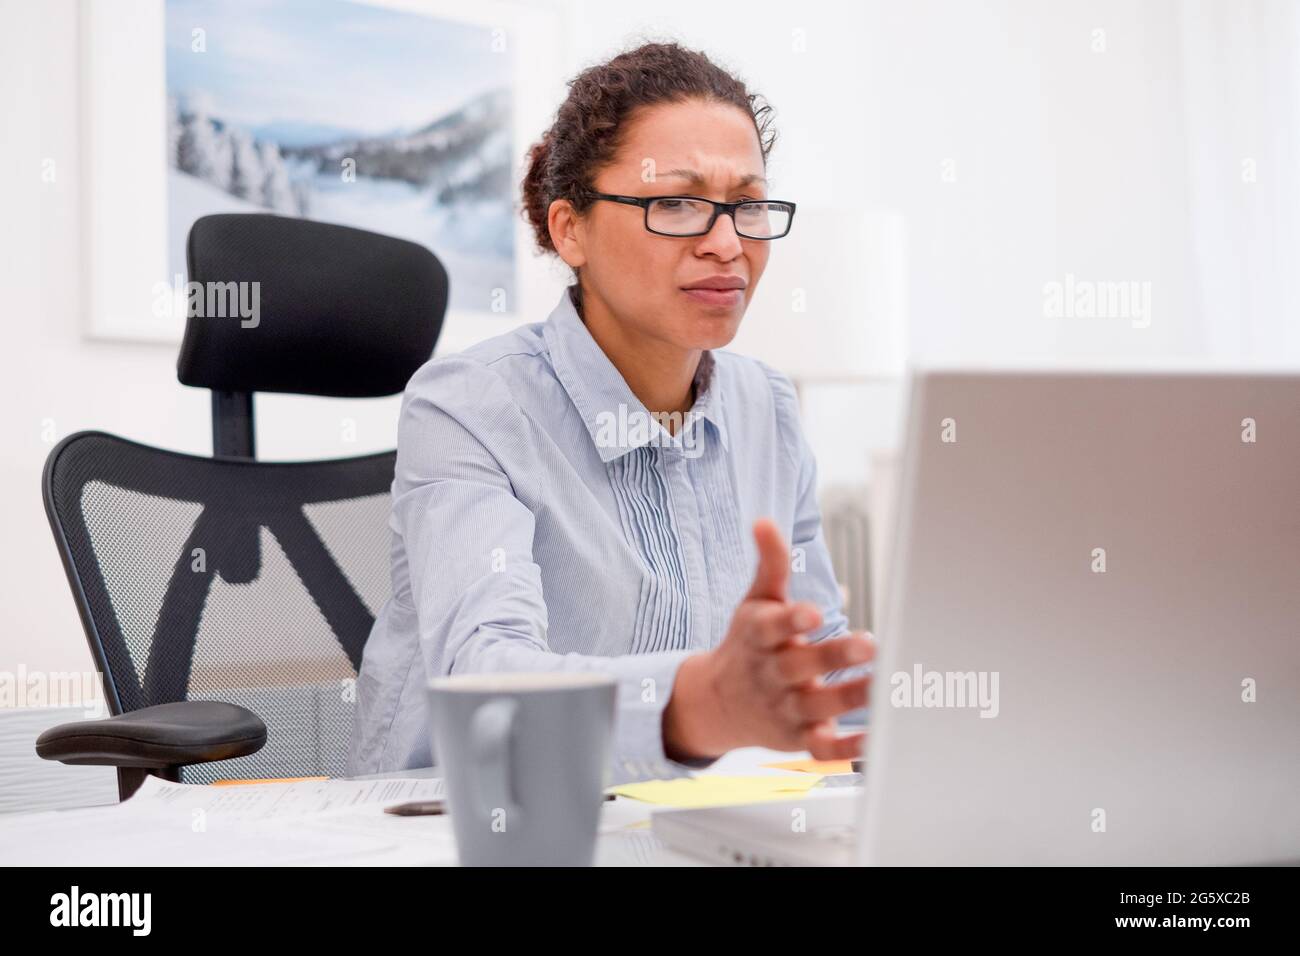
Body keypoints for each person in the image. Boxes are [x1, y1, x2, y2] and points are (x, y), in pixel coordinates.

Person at [348, 41, 874, 781]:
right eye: (679, 203)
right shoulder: (470, 405)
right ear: (571, 230)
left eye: (747, 205)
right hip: (473, 826)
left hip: (684, 827)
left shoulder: (769, 409)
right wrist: (698, 704)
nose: (727, 243)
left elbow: (819, 671)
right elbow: (485, 678)